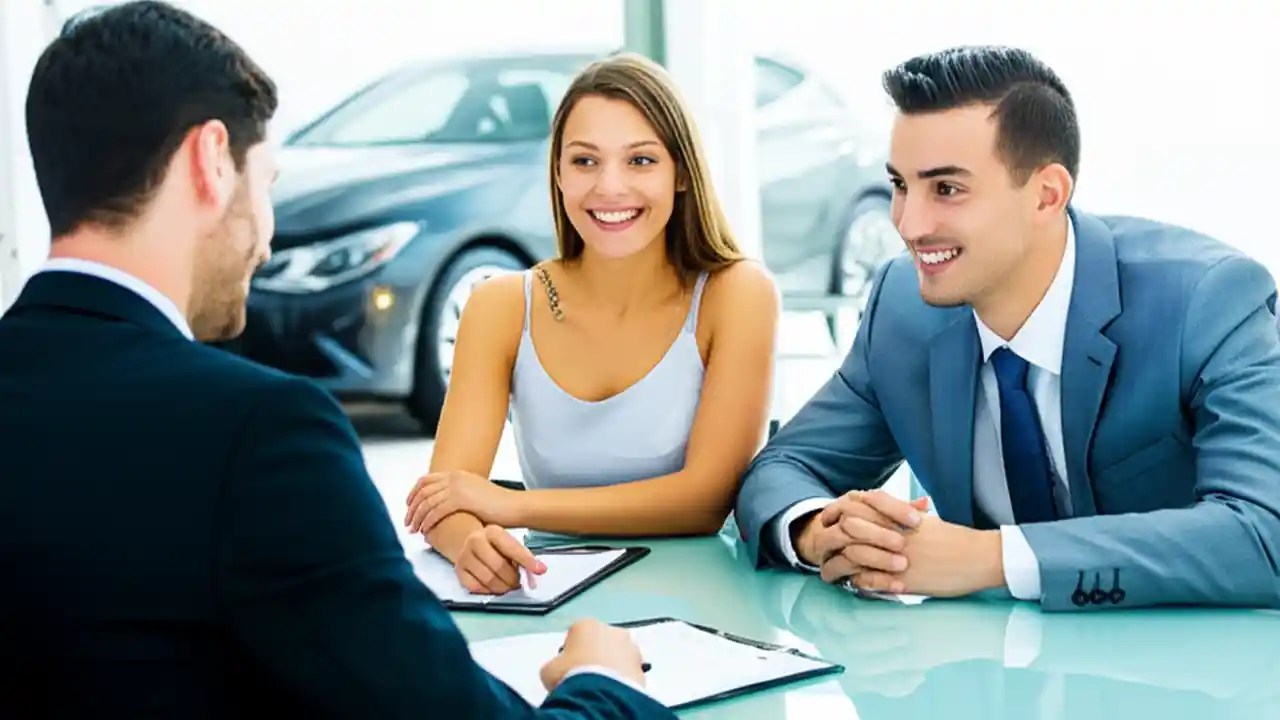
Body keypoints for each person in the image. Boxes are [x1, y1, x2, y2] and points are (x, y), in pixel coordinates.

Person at [0, 3, 673, 717]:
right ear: (209, 162)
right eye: (267, 184)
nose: (265, 241)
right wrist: (605, 683)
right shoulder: (260, 433)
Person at [736, 45, 1280, 611]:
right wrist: (823, 532)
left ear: (1047, 195)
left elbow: (1266, 533)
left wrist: (986, 558)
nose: (909, 224)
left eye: (946, 189)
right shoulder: (902, 305)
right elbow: (783, 468)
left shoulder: (1207, 299)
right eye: (901, 185)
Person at [403, 53, 779, 594]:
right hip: (551, 594)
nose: (609, 188)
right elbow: (446, 498)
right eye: (584, 162)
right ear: (557, 173)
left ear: (680, 173)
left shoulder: (737, 294)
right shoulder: (501, 305)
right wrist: (471, 544)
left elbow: (705, 500)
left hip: (706, 598)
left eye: (641, 161)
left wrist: (513, 506)